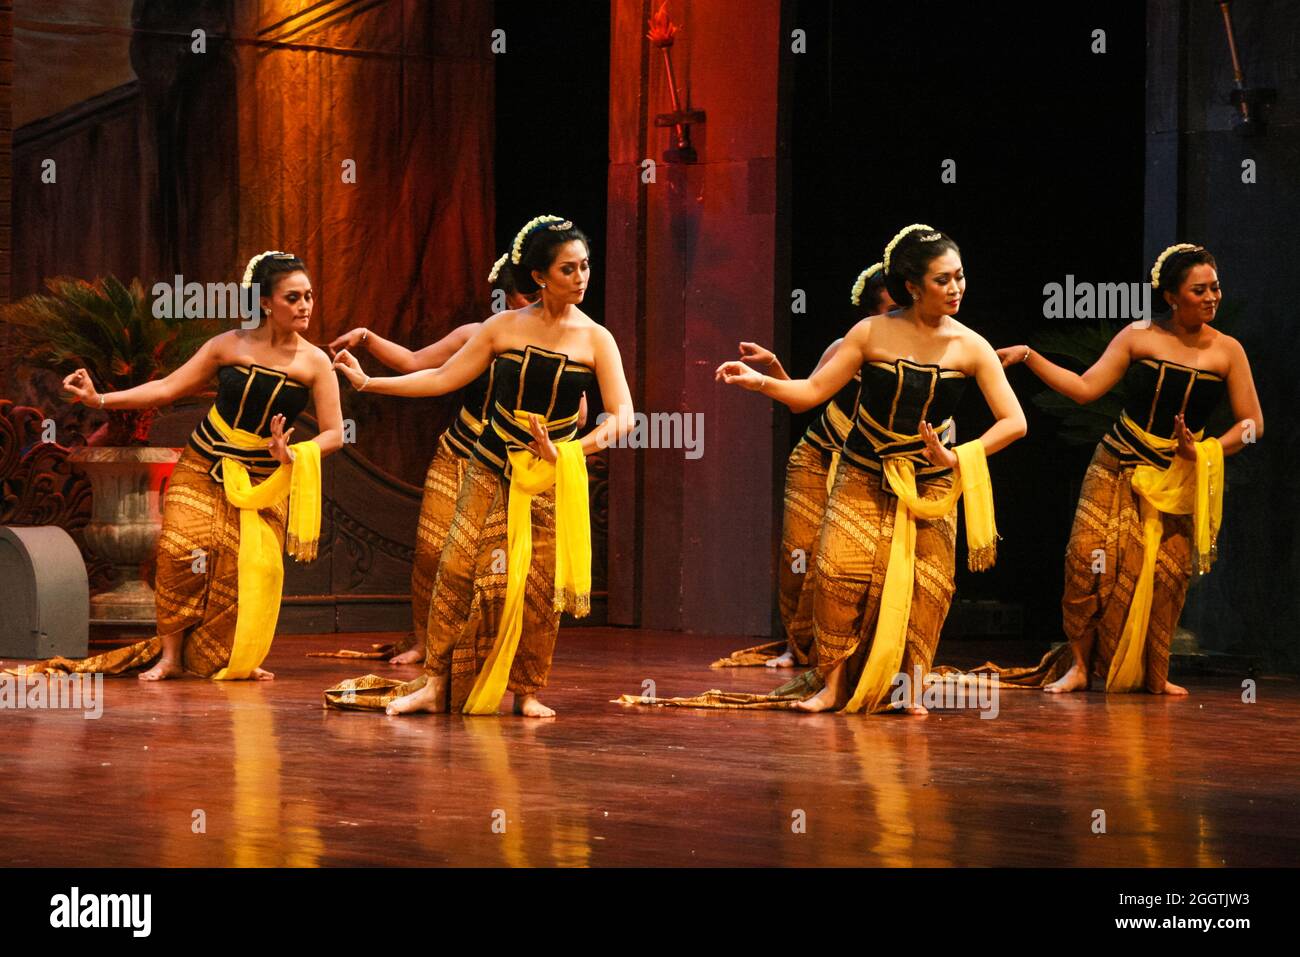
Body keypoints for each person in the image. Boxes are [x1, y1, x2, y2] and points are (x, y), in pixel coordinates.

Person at [625, 224, 1026, 715]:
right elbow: (811, 393)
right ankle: (831, 687)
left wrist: (958, 455)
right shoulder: (870, 333)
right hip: (860, 470)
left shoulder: (972, 346)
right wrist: (759, 383)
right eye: (943, 280)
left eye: (960, 277)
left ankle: (910, 691)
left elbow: (1014, 423)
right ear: (913, 285)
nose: (956, 288)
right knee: (837, 576)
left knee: (927, 589)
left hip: (932, 482)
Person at [324, 215, 633, 717]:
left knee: (533, 582)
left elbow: (624, 416)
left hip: (551, 475)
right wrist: (367, 385)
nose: (581, 277)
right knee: (457, 569)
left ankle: (527, 689)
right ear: (538, 276)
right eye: (568, 269)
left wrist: (574, 450)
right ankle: (435, 682)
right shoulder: (501, 327)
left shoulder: (597, 339)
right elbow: (441, 377)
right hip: (489, 466)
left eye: (585, 267)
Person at [41, 251, 343, 680]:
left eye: (309, 296)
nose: (305, 306)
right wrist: (99, 400)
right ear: (264, 303)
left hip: (264, 476)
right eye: (293, 297)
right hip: (204, 463)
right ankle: (170, 656)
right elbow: (166, 388)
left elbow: (335, 432)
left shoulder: (315, 363)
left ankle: (235, 656)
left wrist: (296, 454)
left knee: (254, 567)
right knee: (181, 551)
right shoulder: (228, 345)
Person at [993, 243, 1262, 694]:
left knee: (1165, 575)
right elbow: (1083, 389)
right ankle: (1078, 667)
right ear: (1172, 297)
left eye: (1215, 286)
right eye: (1200, 290)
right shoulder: (1138, 335)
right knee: (1086, 562)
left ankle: (1155, 673)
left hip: (1179, 471)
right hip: (1118, 460)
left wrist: (1206, 450)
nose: (1213, 296)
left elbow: (1252, 424)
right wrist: (1027, 356)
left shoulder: (1229, 351)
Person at [323, 264, 588, 665]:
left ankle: (487, 651)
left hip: (514, 466)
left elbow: (582, 416)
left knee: (497, 563)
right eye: (524, 300)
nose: (534, 307)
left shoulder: (567, 344)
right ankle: (425, 642)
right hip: (461, 452)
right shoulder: (481, 334)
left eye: (537, 299)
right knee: (434, 551)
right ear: (504, 299)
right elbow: (417, 364)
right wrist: (367, 339)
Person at [713, 262, 896, 669]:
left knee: (846, 564)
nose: (896, 320)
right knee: (800, 555)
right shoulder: (848, 345)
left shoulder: (918, 351)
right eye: (888, 312)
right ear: (869, 316)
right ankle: (796, 646)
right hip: (818, 459)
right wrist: (773, 367)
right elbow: (802, 396)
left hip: (867, 471)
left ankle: (843, 649)